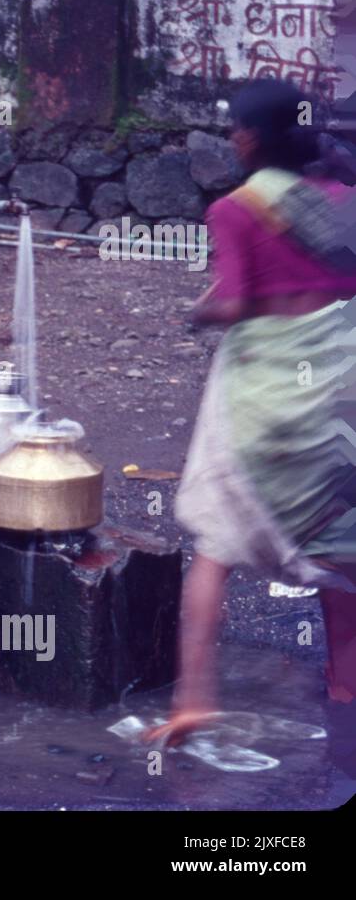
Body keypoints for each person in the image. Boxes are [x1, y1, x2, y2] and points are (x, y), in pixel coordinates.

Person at [146, 80, 356, 777]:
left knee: (214, 543)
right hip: (325, 397)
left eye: (237, 128)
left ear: (255, 136)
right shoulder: (340, 203)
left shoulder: (235, 210)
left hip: (259, 402)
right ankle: (344, 689)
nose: (232, 137)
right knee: (338, 555)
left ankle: (193, 701)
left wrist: (195, 313)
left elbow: (236, 300)